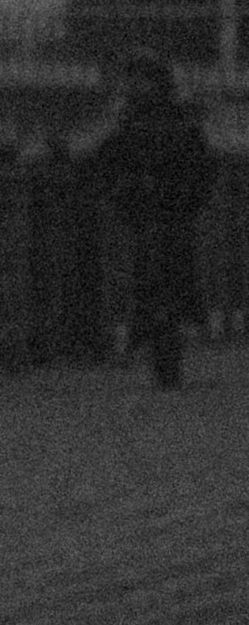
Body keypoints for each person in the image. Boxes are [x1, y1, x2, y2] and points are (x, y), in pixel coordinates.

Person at [89, 52, 216, 388]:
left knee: (151, 277)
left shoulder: (133, 122)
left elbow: (106, 160)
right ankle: (163, 330)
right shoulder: (177, 120)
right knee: (168, 277)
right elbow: (203, 170)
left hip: (154, 214)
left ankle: (143, 334)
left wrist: (121, 193)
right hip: (167, 214)